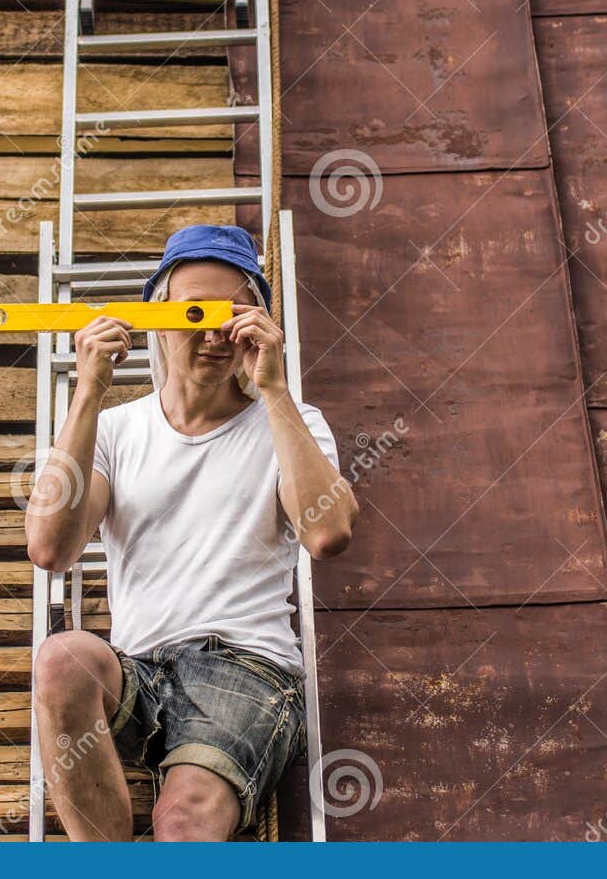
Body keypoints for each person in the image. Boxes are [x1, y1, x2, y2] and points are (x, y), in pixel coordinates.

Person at [25, 224, 359, 841]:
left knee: (181, 823)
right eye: (193, 314)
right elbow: (50, 547)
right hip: (141, 669)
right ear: (155, 318)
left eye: (231, 319)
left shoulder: (292, 421)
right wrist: (89, 394)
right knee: (61, 660)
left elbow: (328, 532)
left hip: (247, 668)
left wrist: (275, 389)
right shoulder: (116, 430)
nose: (213, 337)